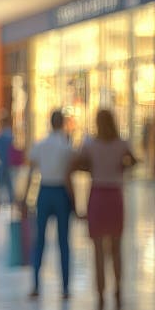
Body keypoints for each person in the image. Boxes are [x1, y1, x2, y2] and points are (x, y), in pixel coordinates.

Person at [67, 109, 137, 310]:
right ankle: (118, 290)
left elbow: (76, 164)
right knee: (116, 248)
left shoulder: (90, 144)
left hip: (97, 196)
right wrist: (120, 167)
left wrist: (91, 168)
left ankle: (100, 294)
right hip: (115, 196)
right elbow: (133, 160)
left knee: (98, 250)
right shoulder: (121, 144)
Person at [23, 110, 74, 299]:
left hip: (44, 193)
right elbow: (70, 175)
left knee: (40, 241)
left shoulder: (41, 145)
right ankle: (66, 288)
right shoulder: (66, 147)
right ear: (62, 124)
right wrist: (75, 201)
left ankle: (36, 285)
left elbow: (31, 171)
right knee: (63, 242)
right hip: (61, 193)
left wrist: (24, 196)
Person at [0, 116, 15, 205]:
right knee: (10, 183)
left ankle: (0, 200)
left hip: (2, 163)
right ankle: (11, 200)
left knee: (1, 183)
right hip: (9, 163)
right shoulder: (11, 135)